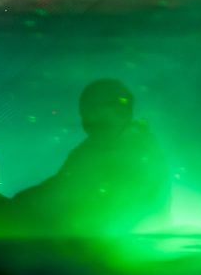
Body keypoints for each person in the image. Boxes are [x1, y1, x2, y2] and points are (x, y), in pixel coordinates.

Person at [14, 79, 172, 235]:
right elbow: (63, 185)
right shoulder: (96, 148)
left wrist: (18, 207)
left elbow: (68, 193)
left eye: (91, 111)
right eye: (85, 113)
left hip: (108, 247)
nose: (86, 121)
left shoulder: (131, 151)